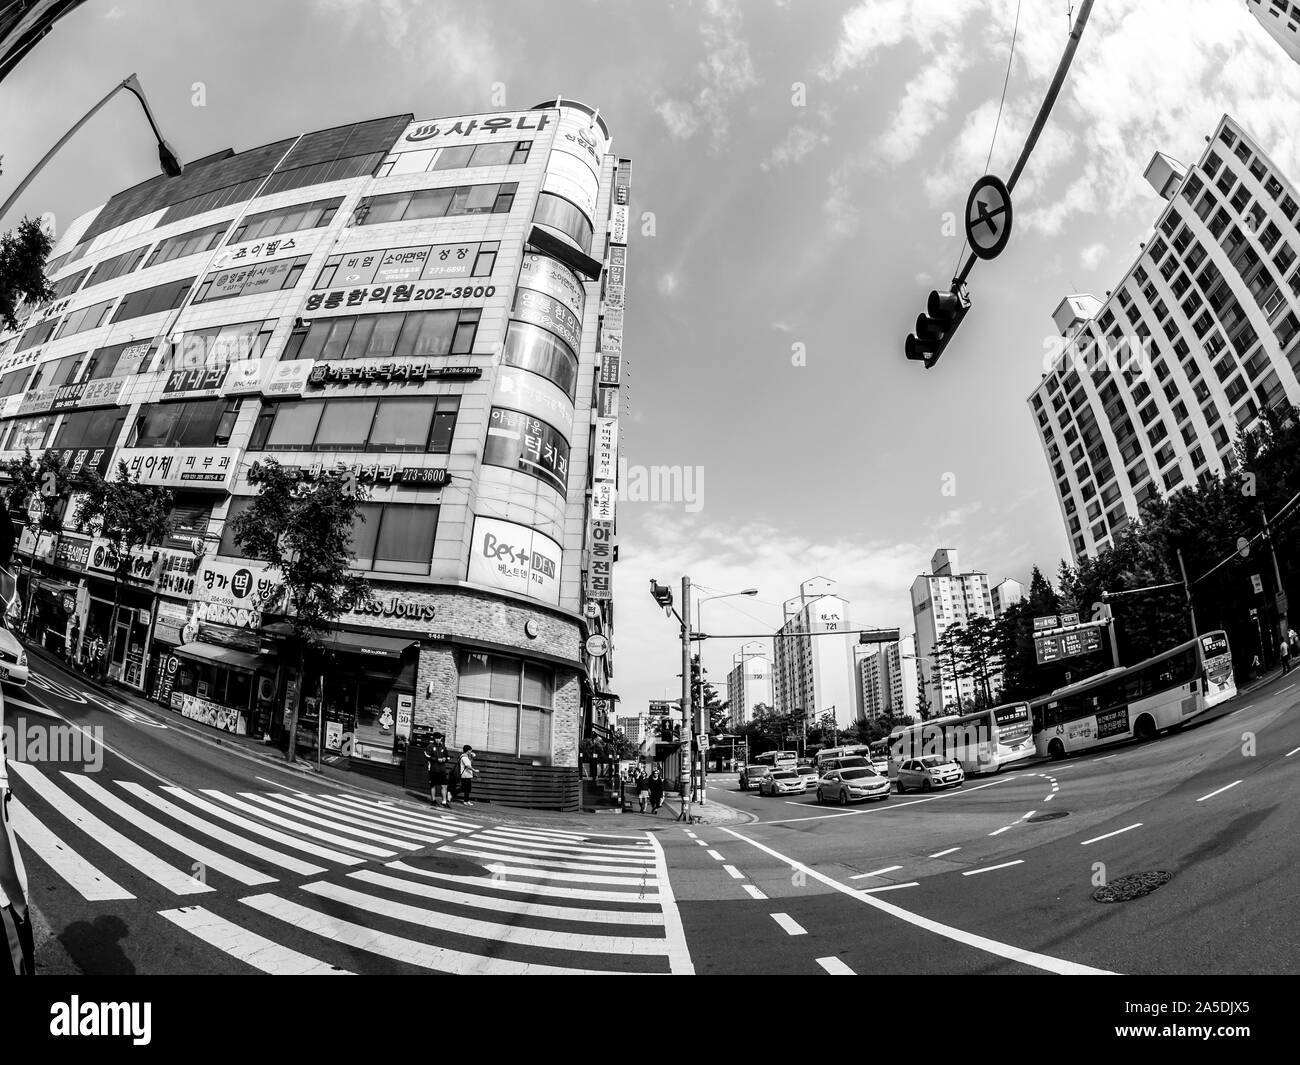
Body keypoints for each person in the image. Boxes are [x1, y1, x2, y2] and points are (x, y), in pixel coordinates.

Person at [426, 733, 453, 808]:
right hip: (433, 769)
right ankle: (433, 800)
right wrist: (437, 759)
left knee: (444, 785)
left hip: (442, 769)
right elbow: (427, 756)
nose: (438, 740)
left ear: (441, 739)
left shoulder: (443, 747)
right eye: (436, 738)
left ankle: (444, 802)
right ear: (434, 738)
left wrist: (445, 759)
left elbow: (448, 756)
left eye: (439, 738)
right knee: (433, 785)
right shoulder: (430, 746)